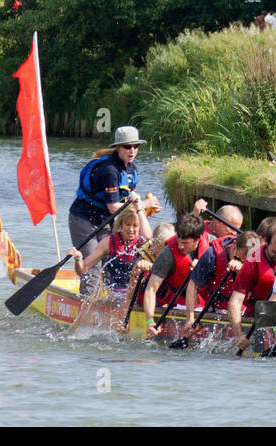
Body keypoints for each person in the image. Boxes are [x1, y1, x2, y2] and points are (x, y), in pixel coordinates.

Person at [67, 126, 160, 262]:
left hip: (104, 219)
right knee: (92, 267)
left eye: (136, 146)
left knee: (109, 264)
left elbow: (127, 200)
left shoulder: (130, 168)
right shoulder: (110, 170)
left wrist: (143, 211)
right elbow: (113, 207)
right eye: (128, 147)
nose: (132, 150)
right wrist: (144, 204)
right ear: (118, 147)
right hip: (83, 218)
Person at [142, 214, 210, 335]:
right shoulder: (167, 254)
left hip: (207, 303)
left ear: (198, 238)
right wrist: (150, 321)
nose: (180, 246)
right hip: (177, 303)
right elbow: (150, 289)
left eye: (185, 243)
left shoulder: (213, 247)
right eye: (178, 240)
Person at [228, 220, 276, 350]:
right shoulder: (252, 261)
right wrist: (239, 334)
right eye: (274, 252)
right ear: (266, 243)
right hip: (260, 316)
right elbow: (235, 301)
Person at [68, 204, 153, 293]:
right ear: (121, 223)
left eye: (135, 225)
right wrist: (78, 259)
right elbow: (82, 270)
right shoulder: (108, 242)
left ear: (140, 226)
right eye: (127, 224)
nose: (131, 229)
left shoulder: (144, 244)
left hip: (137, 294)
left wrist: (148, 265)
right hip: (115, 295)